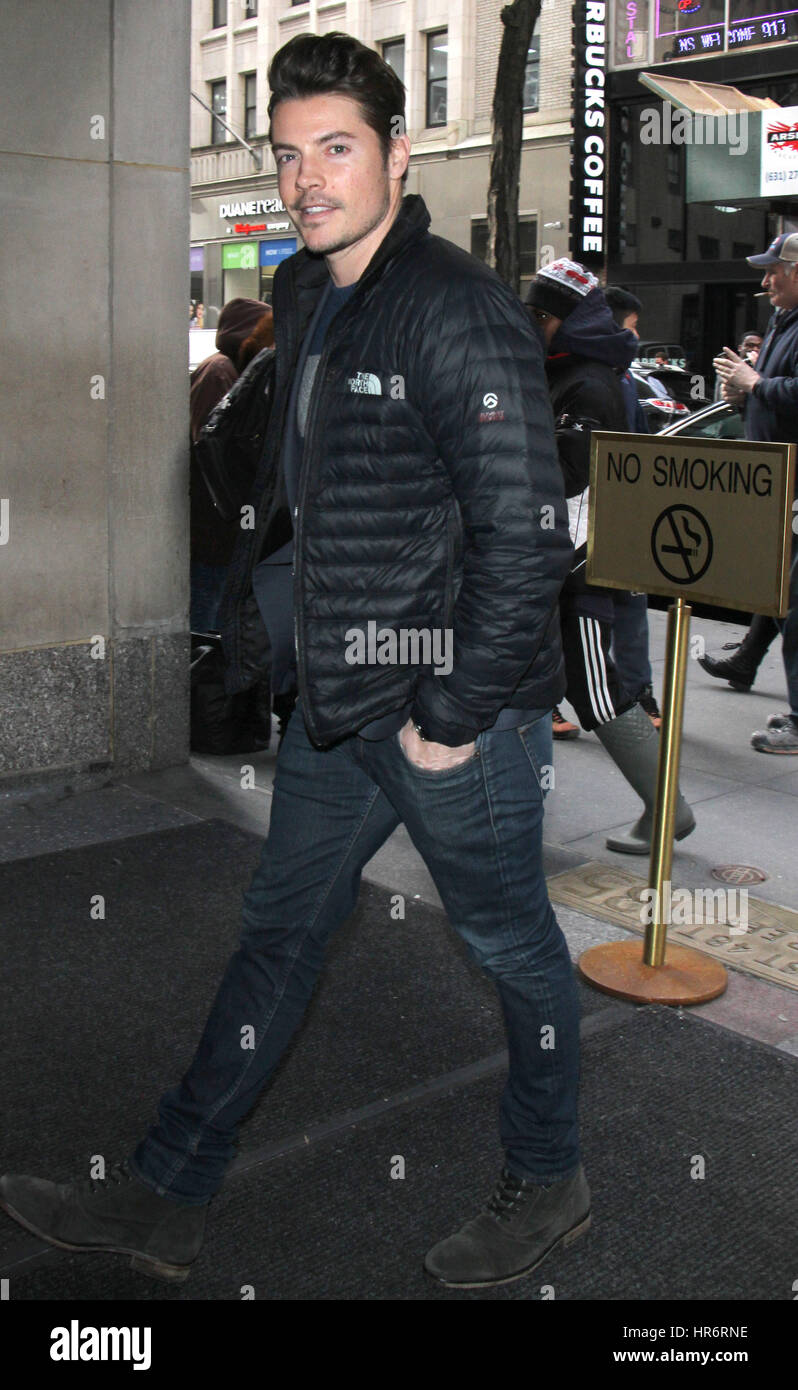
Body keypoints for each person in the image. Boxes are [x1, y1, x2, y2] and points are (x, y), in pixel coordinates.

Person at [0, 32, 588, 1292]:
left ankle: (549, 1178)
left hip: (447, 712)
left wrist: (452, 708)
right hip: (338, 701)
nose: (307, 178)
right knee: (278, 935)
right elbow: (303, 498)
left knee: (513, 949)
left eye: (336, 149)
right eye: (288, 154)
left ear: (396, 153)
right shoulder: (313, 290)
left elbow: (527, 532)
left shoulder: (455, 304)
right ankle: (167, 1192)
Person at [526, 260, 695, 852]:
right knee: (545, 681)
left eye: (541, 314)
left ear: (567, 319)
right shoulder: (571, 372)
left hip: (574, 560)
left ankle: (668, 808)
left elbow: (571, 474)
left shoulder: (588, 381)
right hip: (559, 556)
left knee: (595, 688)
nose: (534, 324)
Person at [712, 232, 798, 754]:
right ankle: (748, 658)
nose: (765, 282)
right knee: (781, 588)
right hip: (779, 482)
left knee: (794, 595)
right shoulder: (780, 321)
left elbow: (782, 390)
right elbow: (773, 395)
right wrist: (743, 393)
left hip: (794, 484)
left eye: (775, 271)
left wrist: (756, 383)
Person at [189, 297, 272, 631]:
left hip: (221, 523)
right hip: (215, 524)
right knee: (208, 610)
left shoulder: (230, 369)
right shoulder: (221, 371)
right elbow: (214, 445)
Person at [603, 286, 661, 729]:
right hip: (594, 512)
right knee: (591, 608)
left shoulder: (622, 377)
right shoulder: (597, 376)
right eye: (632, 327)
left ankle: (637, 691)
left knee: (630, 605)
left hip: (623, 510)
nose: (636, 336)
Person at [713, 330, 762, 402]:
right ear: (740, 348)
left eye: (759, 346)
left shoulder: (765, 370)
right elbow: (718, 401)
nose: (755, 349)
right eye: (750, 345)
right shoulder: (729, 369)